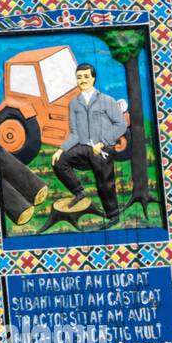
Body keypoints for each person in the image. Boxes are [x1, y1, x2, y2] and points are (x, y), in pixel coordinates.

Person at [51, 63, 127, 224]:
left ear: (93, 78)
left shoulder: (107, 100)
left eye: (86, 76)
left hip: (102, 149)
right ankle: (79, 192)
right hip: (83, 147)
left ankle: (113, 215)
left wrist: (103, 142)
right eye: (79, 77)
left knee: (104, 183)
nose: (82, 80)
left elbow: (120, 124)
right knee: (59, 162)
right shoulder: (74, 103)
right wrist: (60, 150)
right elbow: (74, 134)